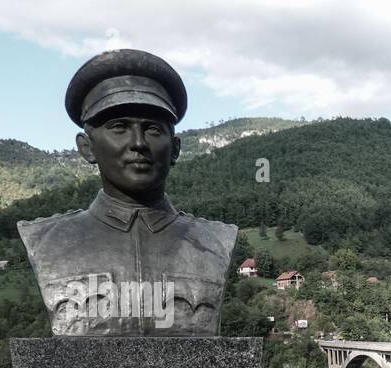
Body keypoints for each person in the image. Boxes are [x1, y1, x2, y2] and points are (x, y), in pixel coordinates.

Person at [17, 49, 237, 335]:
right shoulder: (44, 241)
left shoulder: (217, 241)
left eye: (153, 129)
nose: (138, 143)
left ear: (176, 149)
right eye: (119, 127)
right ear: (86, 147)